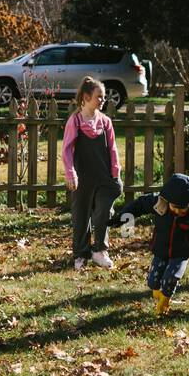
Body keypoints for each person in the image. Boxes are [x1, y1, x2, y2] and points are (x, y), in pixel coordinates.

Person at [116, 172, 189, 316]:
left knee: (171, 278)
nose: (177, 211)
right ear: (167, 199)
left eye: (182, 208)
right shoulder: (160, 202)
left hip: (181, 253)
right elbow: (139, 205)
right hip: (161, 249)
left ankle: (164, 303)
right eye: (174, 207)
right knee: (153, 281)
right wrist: (124, 215)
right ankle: (158, 294)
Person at [62, 76, 122, 270]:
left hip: (104, 177)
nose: (103, 100)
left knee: (104, 212)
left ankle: (99, 251)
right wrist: (70, 173)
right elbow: (66, 150)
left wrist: (116, 174)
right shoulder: (76, 121)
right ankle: (81, 253)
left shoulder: (105, 122)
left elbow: (112, 149)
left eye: (103, 97)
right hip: (82, 179)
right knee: (81, 216)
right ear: (86, 97)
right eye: (99, 96)